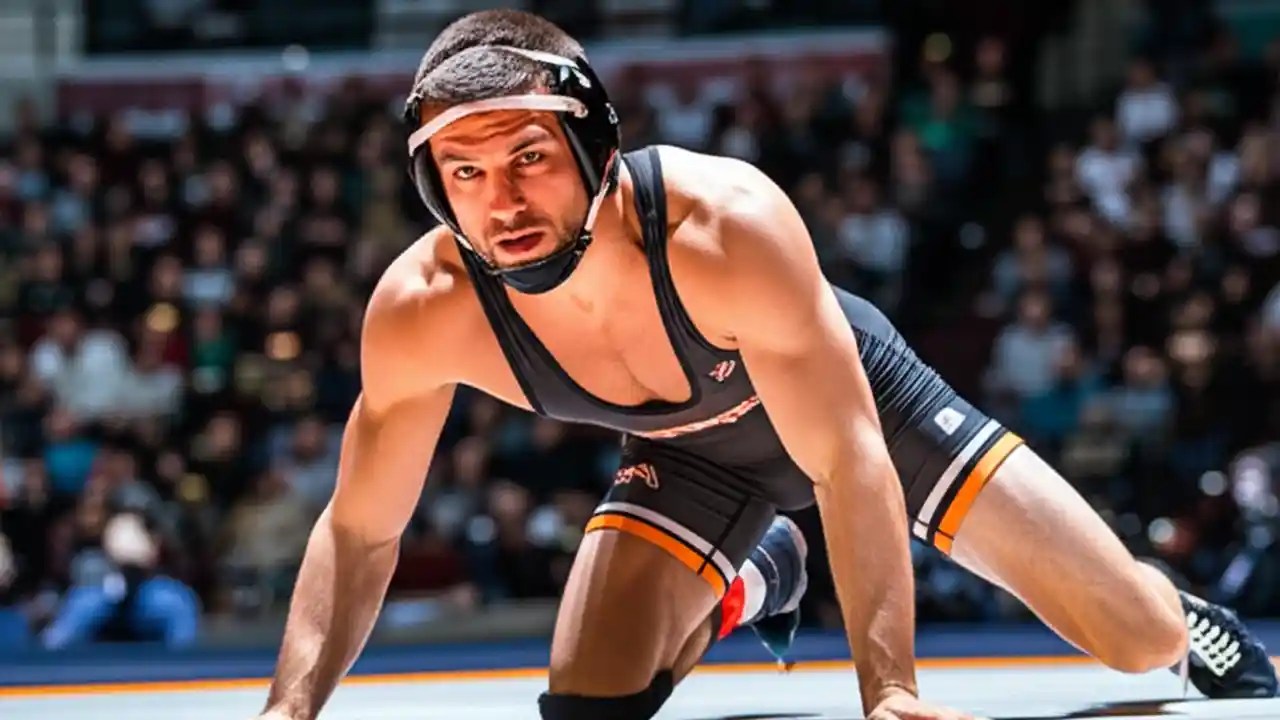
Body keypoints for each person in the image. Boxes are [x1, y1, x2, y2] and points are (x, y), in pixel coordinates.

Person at [254, 10, 1278, 720]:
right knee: (589, 703)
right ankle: (752, 574)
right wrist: (288, 710)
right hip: (690, 457)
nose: (503, 203)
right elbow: (360, 528)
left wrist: (889, 691)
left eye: (529, 157)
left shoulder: (722, 226)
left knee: (1131, 641)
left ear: (596, 147)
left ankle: (1171, 609)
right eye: (466, 173)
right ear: (434, 188)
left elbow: (847, 458)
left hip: (864, 415)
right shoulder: (424, 306)